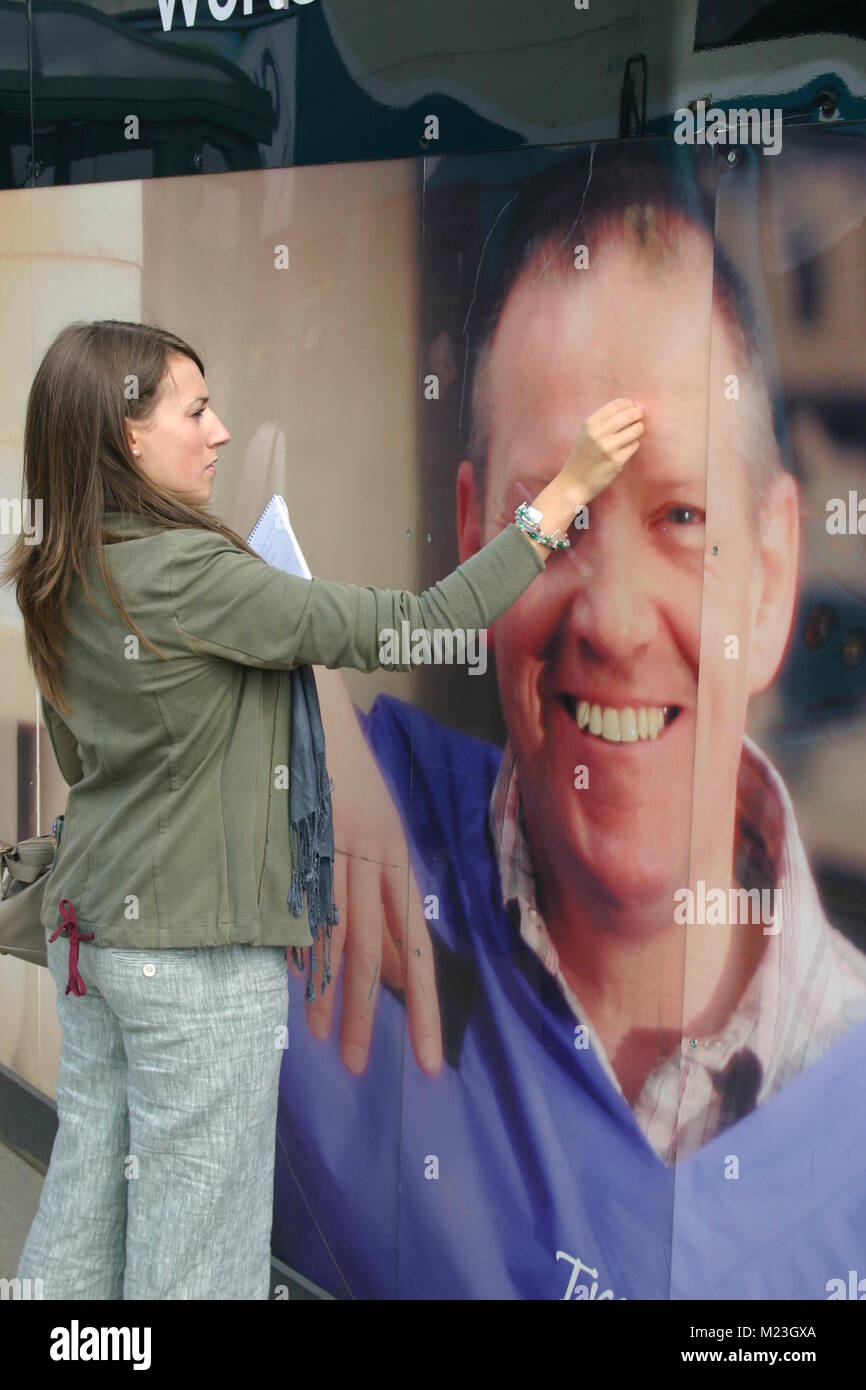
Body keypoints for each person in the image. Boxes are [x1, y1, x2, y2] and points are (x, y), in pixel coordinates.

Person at [271, 144, 866, 1300]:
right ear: (469, 528)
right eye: (545, 525)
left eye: (683, 514)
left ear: (771, 567)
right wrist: (266, 698)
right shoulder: (343, 824)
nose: (611, 616)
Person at [2, 316, 637, 1299]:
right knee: (196, 1246)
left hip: (94, 945)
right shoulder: (194, 575)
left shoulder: (62, 574)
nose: (219, 432)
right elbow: (424, 627)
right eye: (196, 410)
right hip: (195, 962)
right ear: (128, 435)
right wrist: (564, 493)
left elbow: (88, 766)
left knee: (87, 1199)